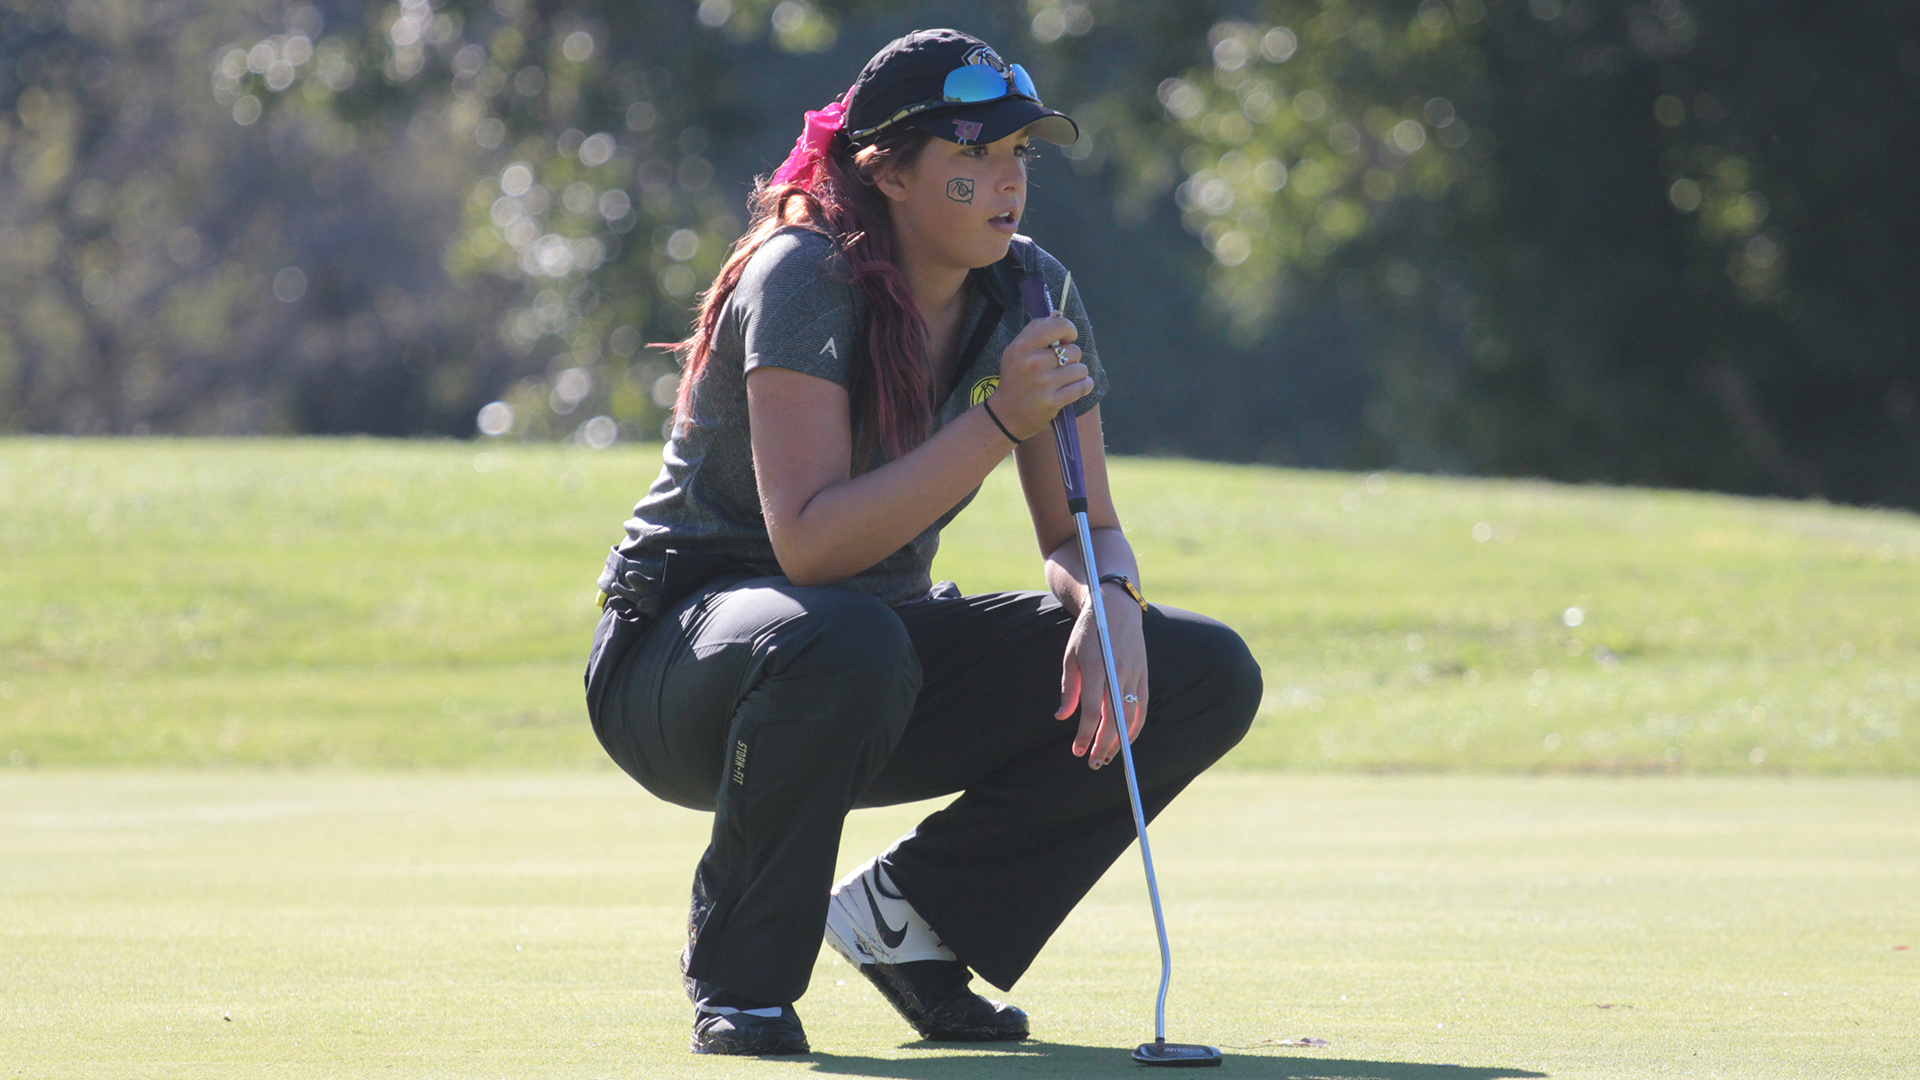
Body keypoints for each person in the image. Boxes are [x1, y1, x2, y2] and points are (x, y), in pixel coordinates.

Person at [583, 28, 1262, 1056]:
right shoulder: (802, 275)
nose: (1007, 183)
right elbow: (809, 548)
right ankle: (745, 985)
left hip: (869, 663)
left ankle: (913, 922)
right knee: (842, 635)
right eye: (972, 159)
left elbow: (1089, 529)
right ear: (890, 173)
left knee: (1200, 668)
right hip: (679, 666)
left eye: (1018, 155)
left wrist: (1108, 607)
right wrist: (996, 418)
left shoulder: (1033, 291)